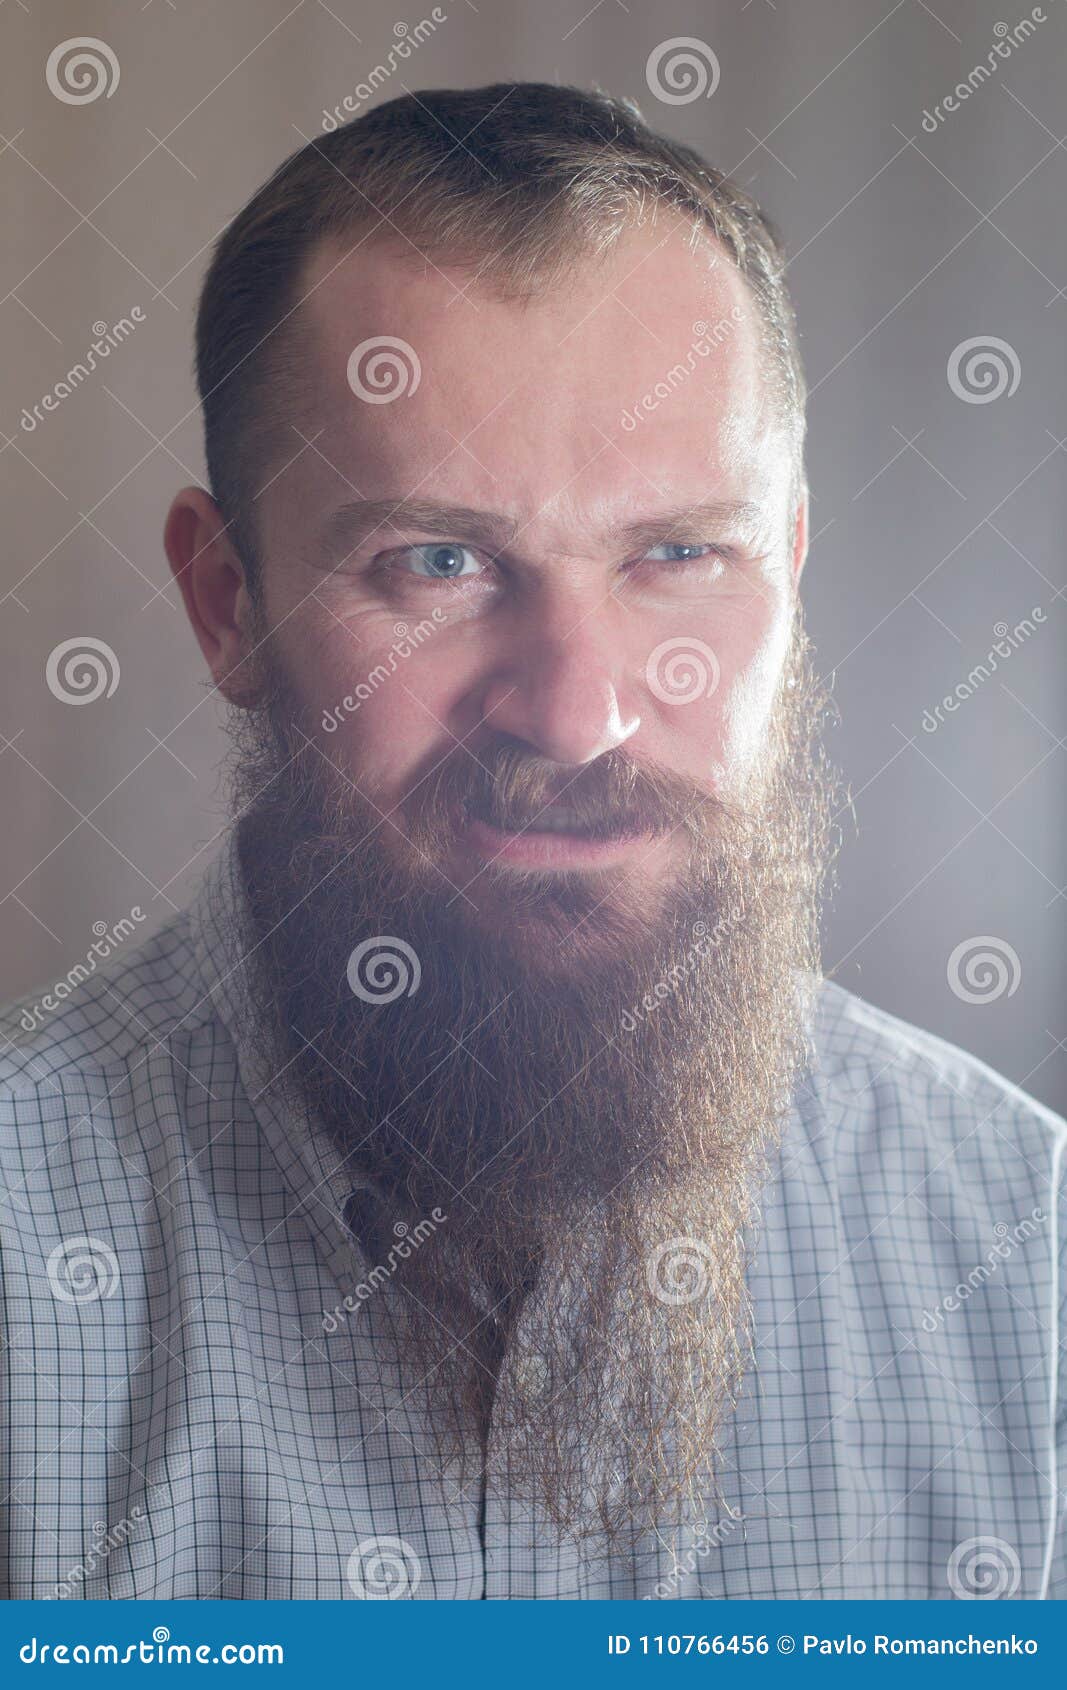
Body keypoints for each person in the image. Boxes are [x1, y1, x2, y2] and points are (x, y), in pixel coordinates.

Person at [1, 83, 1062, 1602]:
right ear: (228, 602)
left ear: (793, 567)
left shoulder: (1029, 1262)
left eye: (679, 553)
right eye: (437, 560)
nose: (577, 716)